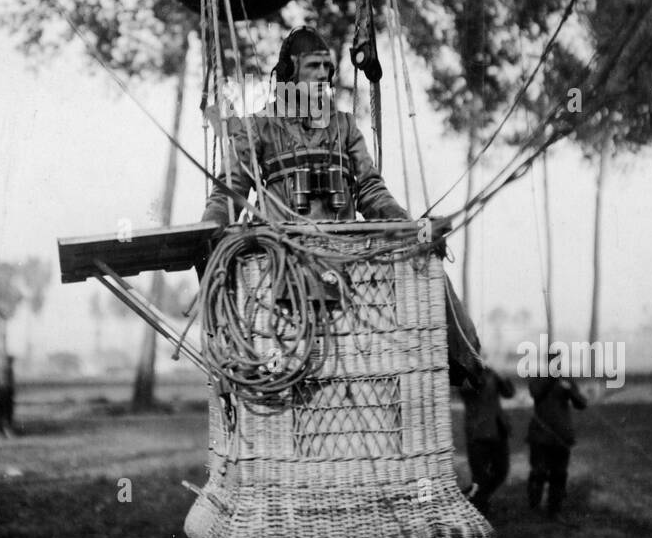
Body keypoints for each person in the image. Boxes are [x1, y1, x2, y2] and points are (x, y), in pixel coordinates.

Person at [199, 26, 485, 389]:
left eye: (327, 68)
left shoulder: (344, 127)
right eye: (314, 67)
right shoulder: (259, 129)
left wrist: (406, 226)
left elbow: (370, 189)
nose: (323, 75)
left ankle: (464, 359)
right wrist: (207, 233)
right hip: (287, 254)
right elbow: (229, 191)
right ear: (289, 73)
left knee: (425, 263)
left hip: (345, 252)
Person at [527, 372, 587, 517]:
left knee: (559, 474)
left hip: (561, 436)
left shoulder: (566, 380)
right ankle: (534, 507)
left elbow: (581, 404)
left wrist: (570, 390)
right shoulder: (537, 378)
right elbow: (535, 393)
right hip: (540, 435)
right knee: (538, 472)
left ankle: (554, 510)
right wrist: (551, 378)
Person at [459, 361, 515, 513]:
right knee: (480, 476)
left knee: (501, 471)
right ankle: (478, 506)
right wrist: (480, 375)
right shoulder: (464, 375)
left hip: (497, 430)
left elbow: (509, 393)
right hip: (478, 433)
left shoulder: (491, 373)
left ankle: (476, 500)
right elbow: (468, 389)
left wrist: (503, 378)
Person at [0, 356, 17, 438]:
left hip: (7, 394)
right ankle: (2, 431)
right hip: (3, 394)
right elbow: (4, 383)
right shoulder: (4, 371)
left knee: (6, 414)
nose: (10, 364)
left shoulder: (8, 371)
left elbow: (10, 384)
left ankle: (4, 431)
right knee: (2, 413)